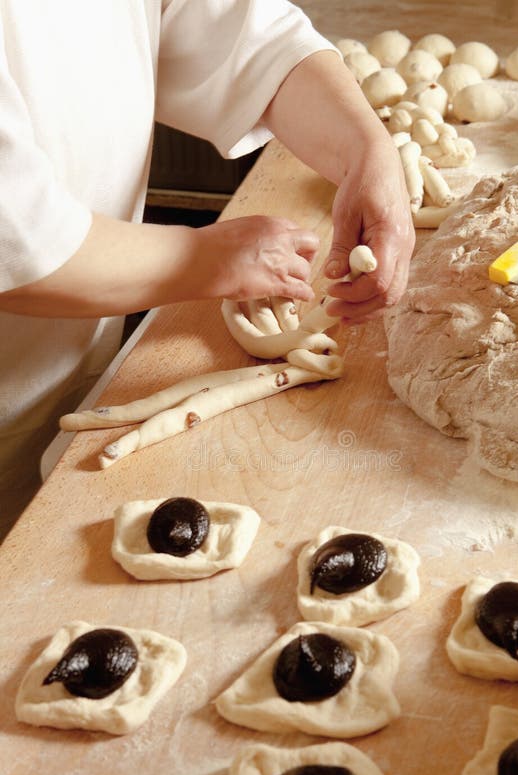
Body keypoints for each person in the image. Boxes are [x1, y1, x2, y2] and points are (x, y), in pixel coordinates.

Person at [0, 0, 414, 540]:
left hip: (73, 368)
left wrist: (364, 147)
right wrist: (206, 258)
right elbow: (22, 245)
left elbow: (225, 26)